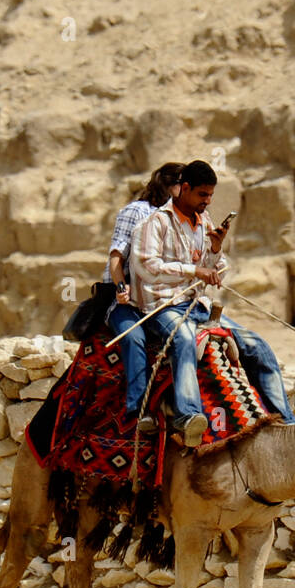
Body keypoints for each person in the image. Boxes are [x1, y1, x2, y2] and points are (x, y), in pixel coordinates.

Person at [131, 159, 295, 445]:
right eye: (202, 195)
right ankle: (188, 416)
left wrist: (216, 250)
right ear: (184, 189)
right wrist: (195, 271)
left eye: (210, 196)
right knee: (183, 340)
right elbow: (146, 266)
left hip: (198, 306)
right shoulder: (155, 223)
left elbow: (216, 269)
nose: (207, 202)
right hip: (163, 306)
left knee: (257, 346)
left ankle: (286, 422)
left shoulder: (203, 223)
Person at [104, 162, 183, 431]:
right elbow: (117, 256)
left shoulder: (180, 218)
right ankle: (138, 410)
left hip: (161, 301)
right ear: (170, 186)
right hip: (128, 300)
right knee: (133, 336)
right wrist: (121, 287)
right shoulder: (137, 212)